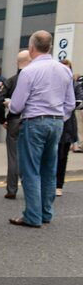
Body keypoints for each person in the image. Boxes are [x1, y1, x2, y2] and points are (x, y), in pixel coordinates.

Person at [7, 31, 76, 227]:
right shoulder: (64, 70)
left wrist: (9, 105)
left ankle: (33, 215)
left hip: (34, 121)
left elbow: (18, 105)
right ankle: (46, 212)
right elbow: (70, 103)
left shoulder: (29, 71)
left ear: (31, 48)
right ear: (51, 47)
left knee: (30, 170)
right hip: (56, 122)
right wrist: (59, 117)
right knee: (49, 168)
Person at [0, 50, 31, 199]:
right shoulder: (34, 78)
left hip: (13, 120)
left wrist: (2, 119)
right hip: (30, 120)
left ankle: (11, 189)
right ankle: (30, 189)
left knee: (13, 156)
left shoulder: (11, 80)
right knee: (30, 156)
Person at [56, 60, 81, 196]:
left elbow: (78, 101)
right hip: (54, 123)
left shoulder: (74, 85)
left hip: (67, 124)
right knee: (51, 156)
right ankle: (49, 183)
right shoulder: (53, 84)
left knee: (62, 156)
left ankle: (59, 184)